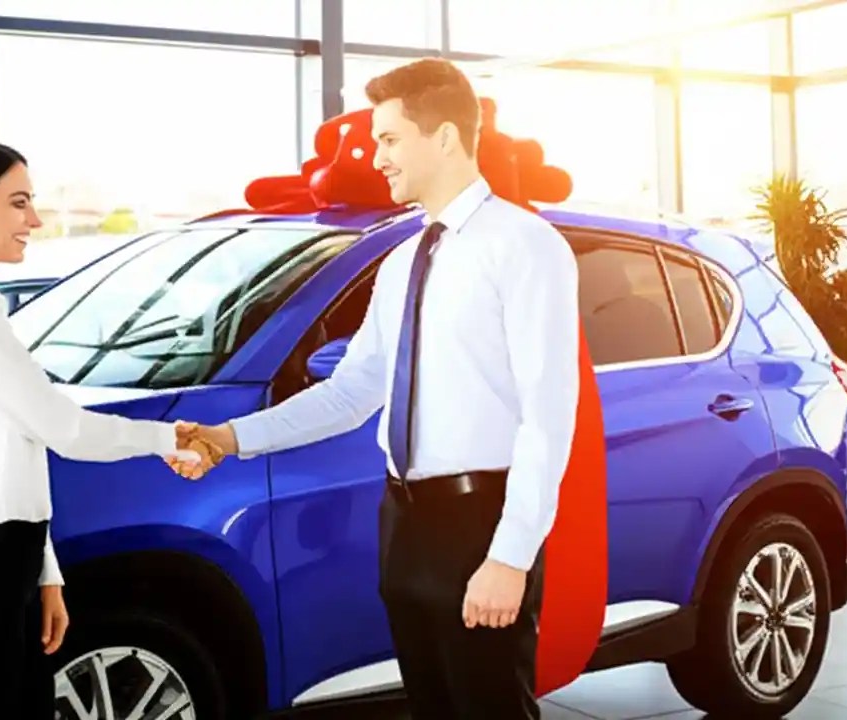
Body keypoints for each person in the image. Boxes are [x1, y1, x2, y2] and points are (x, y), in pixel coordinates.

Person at [175, 58, 579, 719]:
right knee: (433, 706)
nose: (377, 155)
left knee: (490, 707)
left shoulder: (524, 246)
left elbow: (547, 413)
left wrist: (510, 555)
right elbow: (351, 392)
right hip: (404, 522)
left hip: (480, 519)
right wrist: (230, 437)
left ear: (445, 137)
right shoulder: (401, 263)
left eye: (390, 138)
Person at [0, 138, 208, 719]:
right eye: (18, 203)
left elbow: (23, 449)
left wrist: (46, 572)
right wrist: (167, 438)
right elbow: (61, 428)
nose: (34, 219)